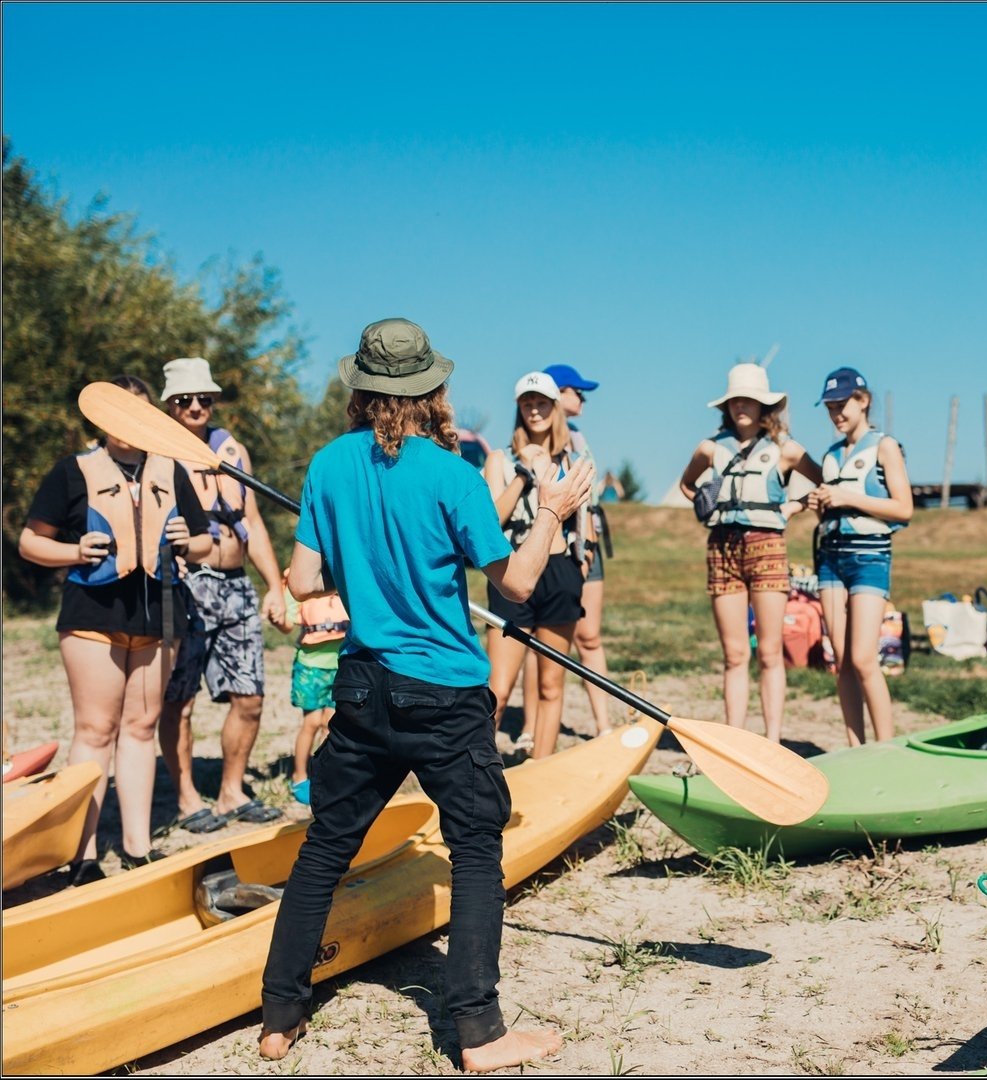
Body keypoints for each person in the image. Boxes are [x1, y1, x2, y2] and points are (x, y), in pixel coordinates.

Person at [258, 317, 594, 1070]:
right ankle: (478, 1031)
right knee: (476, 849)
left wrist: (336, 560)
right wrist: (551, 514)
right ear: (432, 391)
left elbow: (307, 583)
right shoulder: (453, 475)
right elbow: (515, 583)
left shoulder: (328, 465)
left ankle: (280, 1015)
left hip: (364, 687)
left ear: (362, 390)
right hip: (443, 691)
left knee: (324, 850)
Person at [19, 375, 213, 882]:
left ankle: (137, 846)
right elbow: (29, 542)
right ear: (102, 420)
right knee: (95, 731)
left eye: (137, 414)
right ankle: (81, 856)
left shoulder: (171, 470)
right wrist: (73, 551)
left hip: (159, 614)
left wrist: (186, 541)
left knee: (141, 729)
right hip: (92, 615)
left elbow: (204, 544)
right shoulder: (73, 471)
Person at [157, 357, 286, 831]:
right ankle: (188, 797)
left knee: (249, 696)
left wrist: (274, 585)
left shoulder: (232, 450)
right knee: (180, 699)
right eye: (185, 399)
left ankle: (232, 792)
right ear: (169, 404)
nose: (196, 406)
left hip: (236, 587)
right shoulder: (158, 455)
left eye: (204, 399)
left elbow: (250, 521)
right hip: (186, 586)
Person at [677, 363, 821, 743]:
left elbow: (824, 482)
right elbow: (687, 484)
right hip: (721, 546)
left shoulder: (785, 449)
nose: (742, 405)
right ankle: (735, 740)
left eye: (750, 400)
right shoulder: (710, 448)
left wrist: (793, 506)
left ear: (764, 405)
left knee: (770, 652)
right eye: (736, 399)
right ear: (727, 405)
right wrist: (703, 504)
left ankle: (772, 739)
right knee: (734, 653)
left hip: (767, 545)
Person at [481, 371, 592, 759]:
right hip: (513, 568)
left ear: (555, 408)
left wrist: (585, 559)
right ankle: (478, 772)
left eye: (542, 402)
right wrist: (525, 477)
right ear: (518, 408)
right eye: (527, 403)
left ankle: (541, 767)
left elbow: (585, 516)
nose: (534, 409)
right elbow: (490, 520)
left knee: (551, 685)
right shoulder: (499, 459)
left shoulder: (574, 460)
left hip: (560, 571)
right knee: (498, 686)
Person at [806, 367, 914, 745]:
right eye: (830, 407)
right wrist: (819, 503)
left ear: (863, 401)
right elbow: (831, 508)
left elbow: (903, 508)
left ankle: (886, 749)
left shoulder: (885, 446)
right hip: (830, 559)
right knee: (842, 661)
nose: (836, 414)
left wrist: (847, 497)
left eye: (842, 405)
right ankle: (856, 749)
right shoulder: (831, 455)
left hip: (869, 558)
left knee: (865, 658)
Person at [544, 362, 614, 738]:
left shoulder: (579, 436)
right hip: (558, 546)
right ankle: (531, 728)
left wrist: (587, 547)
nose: (582, 398)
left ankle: (603, 725)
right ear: (558, 393)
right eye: (577, 391)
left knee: (590, 637)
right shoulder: (538, 441)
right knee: (544, 639)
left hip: (589, 542)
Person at [267, 568, 350, 806]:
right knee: (312, 722)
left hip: (341, 662)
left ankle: (326, 775)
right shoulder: (299, 576)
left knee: (331, 724)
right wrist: (276, 617)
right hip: (311, 666)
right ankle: (300, 775)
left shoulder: (346, 568)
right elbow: (287, 624)